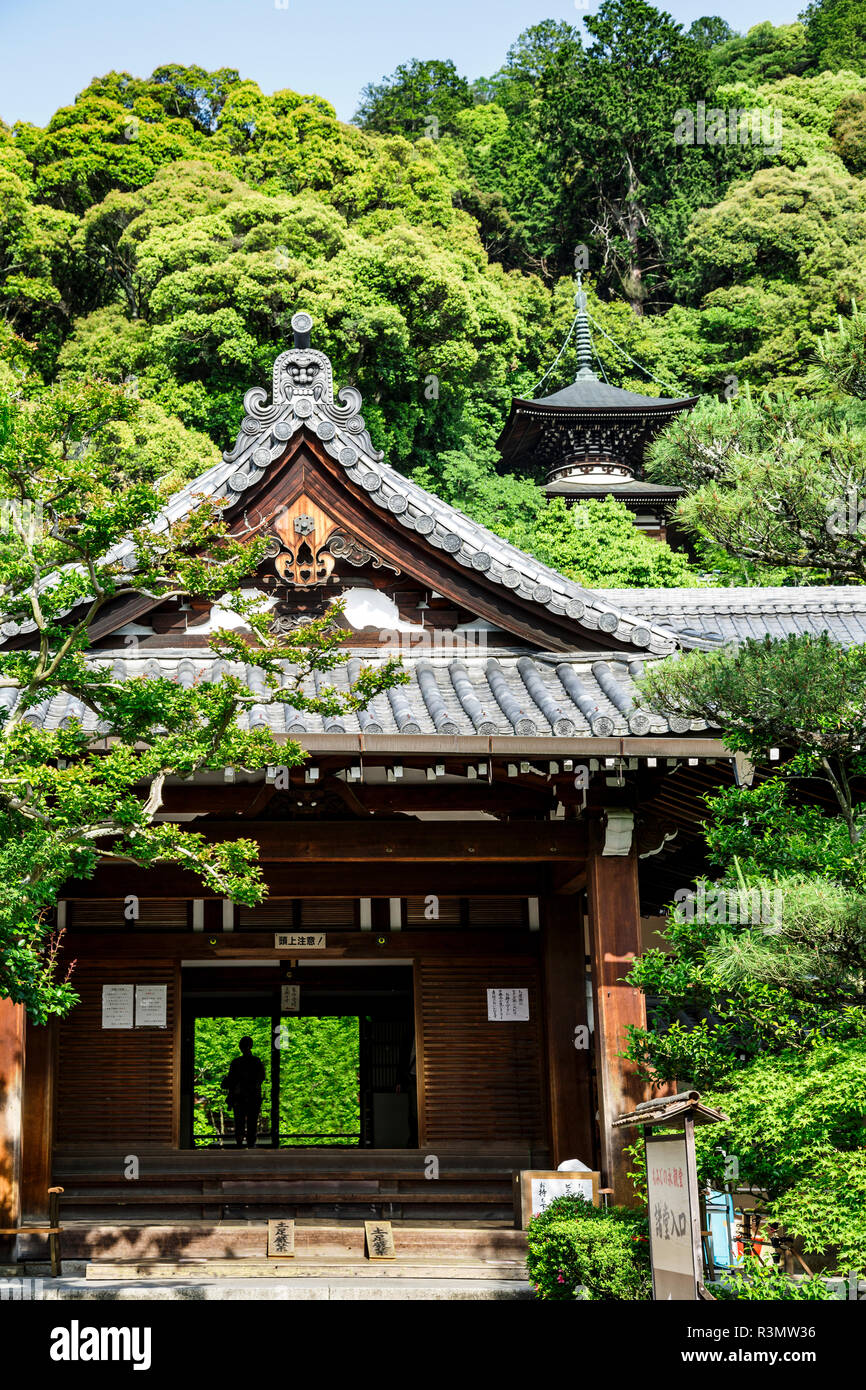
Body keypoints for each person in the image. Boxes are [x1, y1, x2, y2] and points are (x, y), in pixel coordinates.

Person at [223, 1035, 266, 1148]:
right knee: (252, 1123)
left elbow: (230, 1081)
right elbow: (261, 1078)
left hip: (239, 1098)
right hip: (253, 1098)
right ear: (251, 1046)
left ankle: (239, 1145)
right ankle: (251, 1144)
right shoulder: (256, 1062)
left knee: (239, 1124)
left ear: (240, 1047)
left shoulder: (236, 1063)